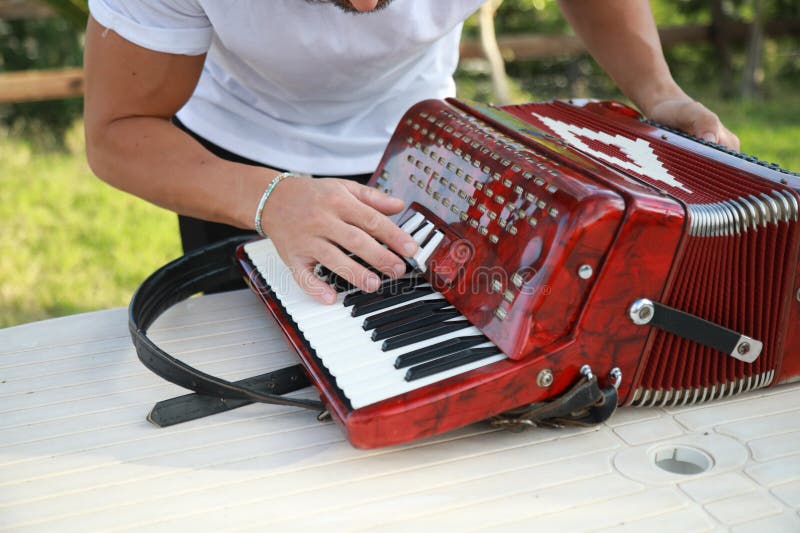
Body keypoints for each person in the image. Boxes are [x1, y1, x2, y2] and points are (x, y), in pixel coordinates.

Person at [83, 0, 739, 304]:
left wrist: (660, 93)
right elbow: (118, 131)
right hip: (232, 160)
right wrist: (267, 195)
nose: (367, 4)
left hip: (421, 147)